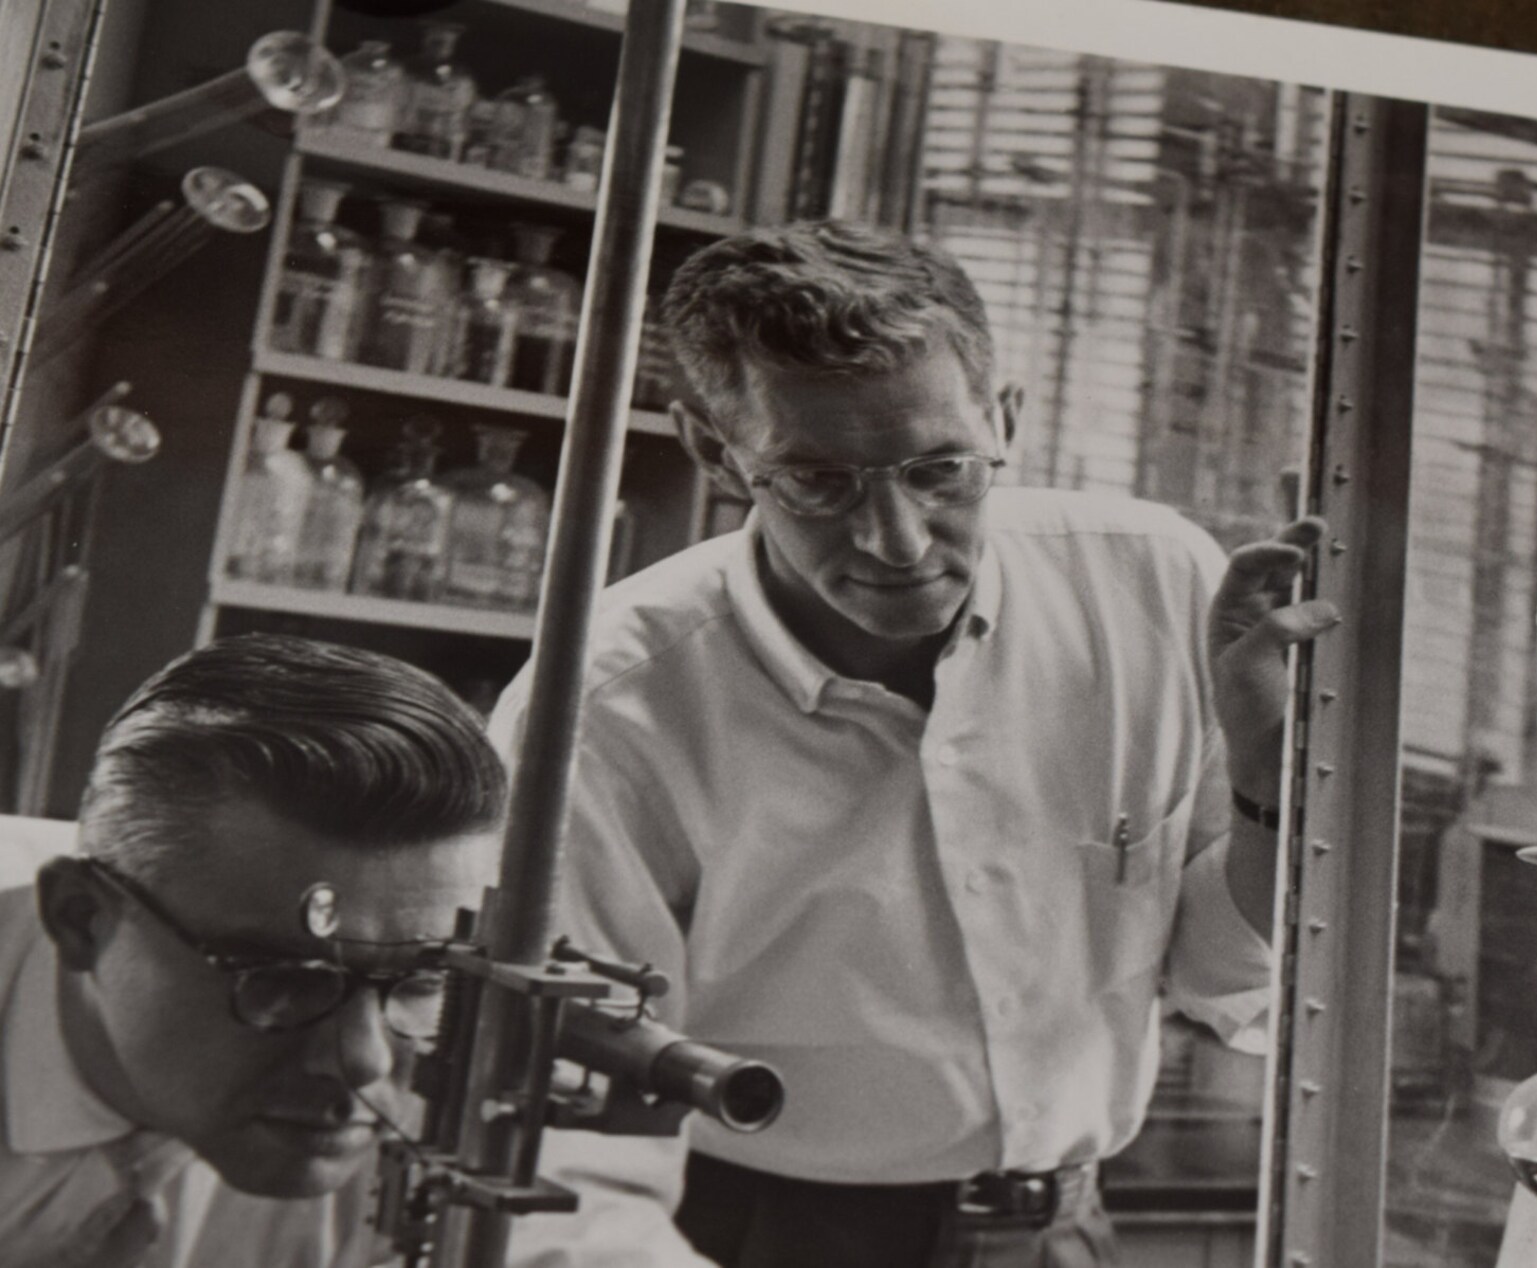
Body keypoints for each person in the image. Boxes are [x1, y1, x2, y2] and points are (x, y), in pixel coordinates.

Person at [490, 220, 1339, 1268]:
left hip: (1063, 1231)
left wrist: (1265, 779)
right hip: (757, 1238)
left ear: (1004, 418)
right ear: (714, 449)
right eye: (817, 481)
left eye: (941, 469)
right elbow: (563, 1140)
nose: (894, 539)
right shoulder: (605, 707)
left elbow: (1215, 975)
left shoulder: (1156, 581)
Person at [0, 633, 507, 1268]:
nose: (365, 1060)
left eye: (425, 979)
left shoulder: (440, 1115)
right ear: (82, 920)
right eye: (282, 977)